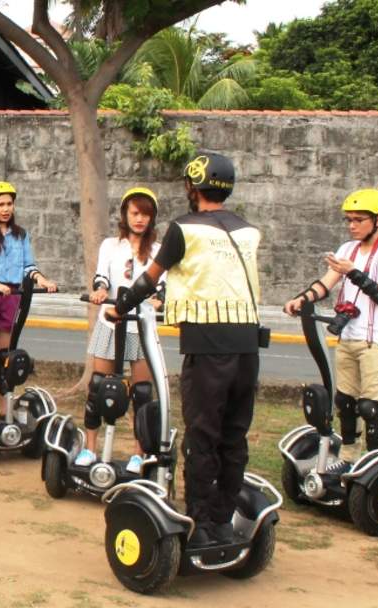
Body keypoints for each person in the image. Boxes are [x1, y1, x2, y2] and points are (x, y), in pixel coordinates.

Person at [107, 153, 262, 547]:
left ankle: (200, 524)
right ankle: (224, 521)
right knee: (234, 435)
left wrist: (119, 306)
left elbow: (150, 278)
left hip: (207, 344)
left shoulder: (184, 229)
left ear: (193, 187)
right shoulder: (248, 230)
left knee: (202, 436)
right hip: (247, 343)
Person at [282, 189, 378, 463]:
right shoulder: (347, 250)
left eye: (359, 220)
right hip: (348, 339)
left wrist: (353, 272)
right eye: (348, 220)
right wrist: (301, 299)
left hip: (377, 343)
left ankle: (376, 464)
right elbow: (326, 284)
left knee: (370, 406)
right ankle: (349, 460)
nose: (352, 225)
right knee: (346, 404)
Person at [78, 187, 165, 473]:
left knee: (141, 392)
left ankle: (139, 453)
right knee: (98, 387)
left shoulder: (157, 250)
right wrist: (101, 290)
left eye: (145, 214)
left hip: (141, 325)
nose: (140, 219)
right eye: (135, 213)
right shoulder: (110, 246)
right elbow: (102, 275)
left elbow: (162, 283)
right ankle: (90, 449)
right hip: (111, 320)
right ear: (125, 215)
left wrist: (158, 297)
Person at [0, 181, 57, 426]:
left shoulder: (20, 234)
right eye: (1, 204)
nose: (6, 209)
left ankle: (6, 411)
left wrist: (42, 280)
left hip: (11, 297)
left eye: (9, 204)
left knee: (4, 358)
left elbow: (28, 266)